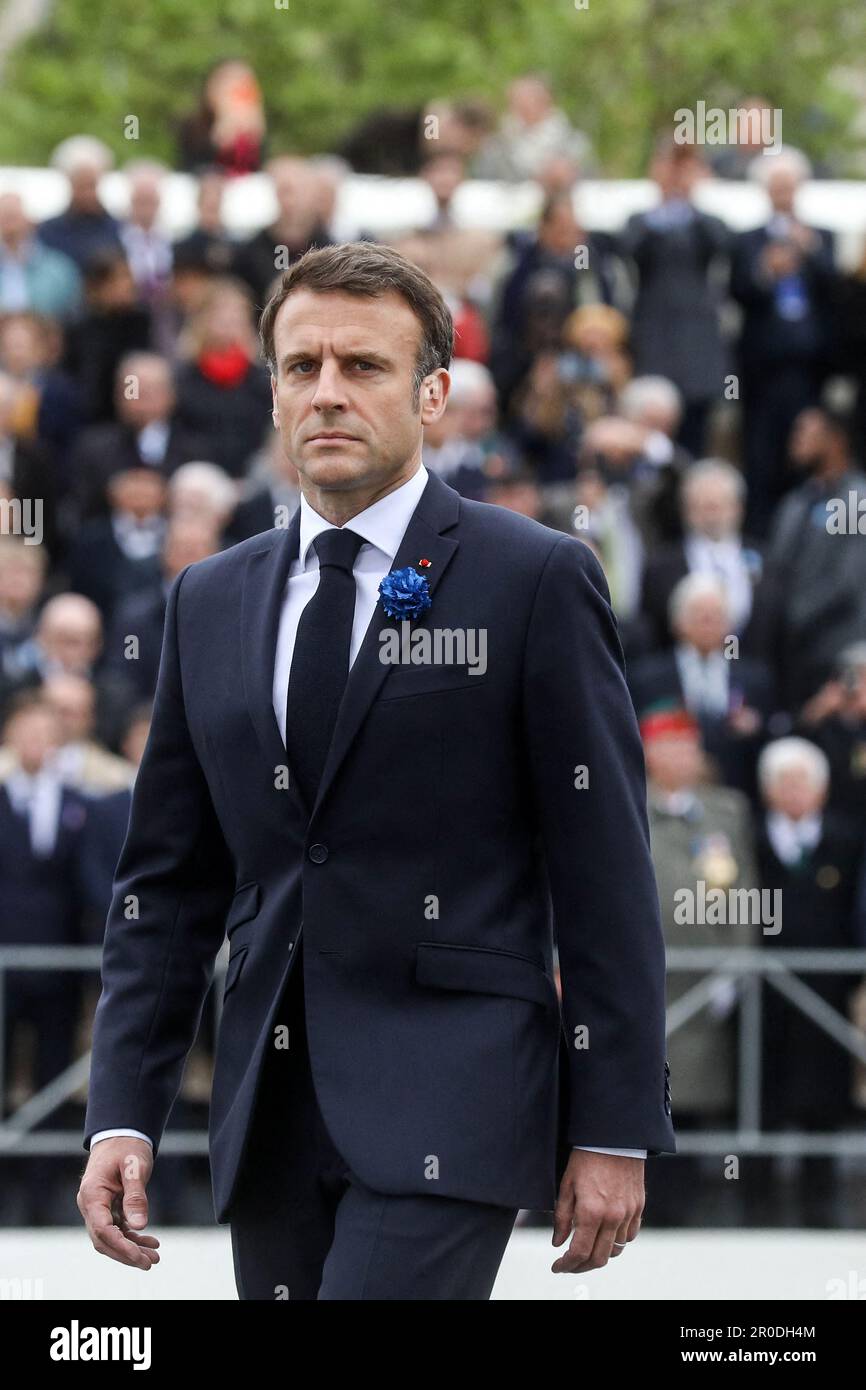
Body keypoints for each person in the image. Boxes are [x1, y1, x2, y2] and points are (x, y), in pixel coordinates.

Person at [78, 241, 674, 1301]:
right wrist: (123, 1109)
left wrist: (616, 1121)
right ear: (271, 393)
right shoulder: (206, 598)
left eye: (363, 366)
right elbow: (166, 887)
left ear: (432, 392)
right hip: (268, 1109)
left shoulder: (531, 577)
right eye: (301, 367)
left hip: (457, 1091)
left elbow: (605, 872)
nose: (327, 392)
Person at [731, 149, 835, 535]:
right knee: (761, 456)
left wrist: (811, 251)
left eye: (789, 186)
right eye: (776, 187)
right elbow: (738, 291)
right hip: (762, 373)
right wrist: (766, 271)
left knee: (807, 451)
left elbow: (836, 291)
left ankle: (805, 535)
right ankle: (760, 535)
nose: (783, 194)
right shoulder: (748, 240)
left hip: (808, 371)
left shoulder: (820, 235)